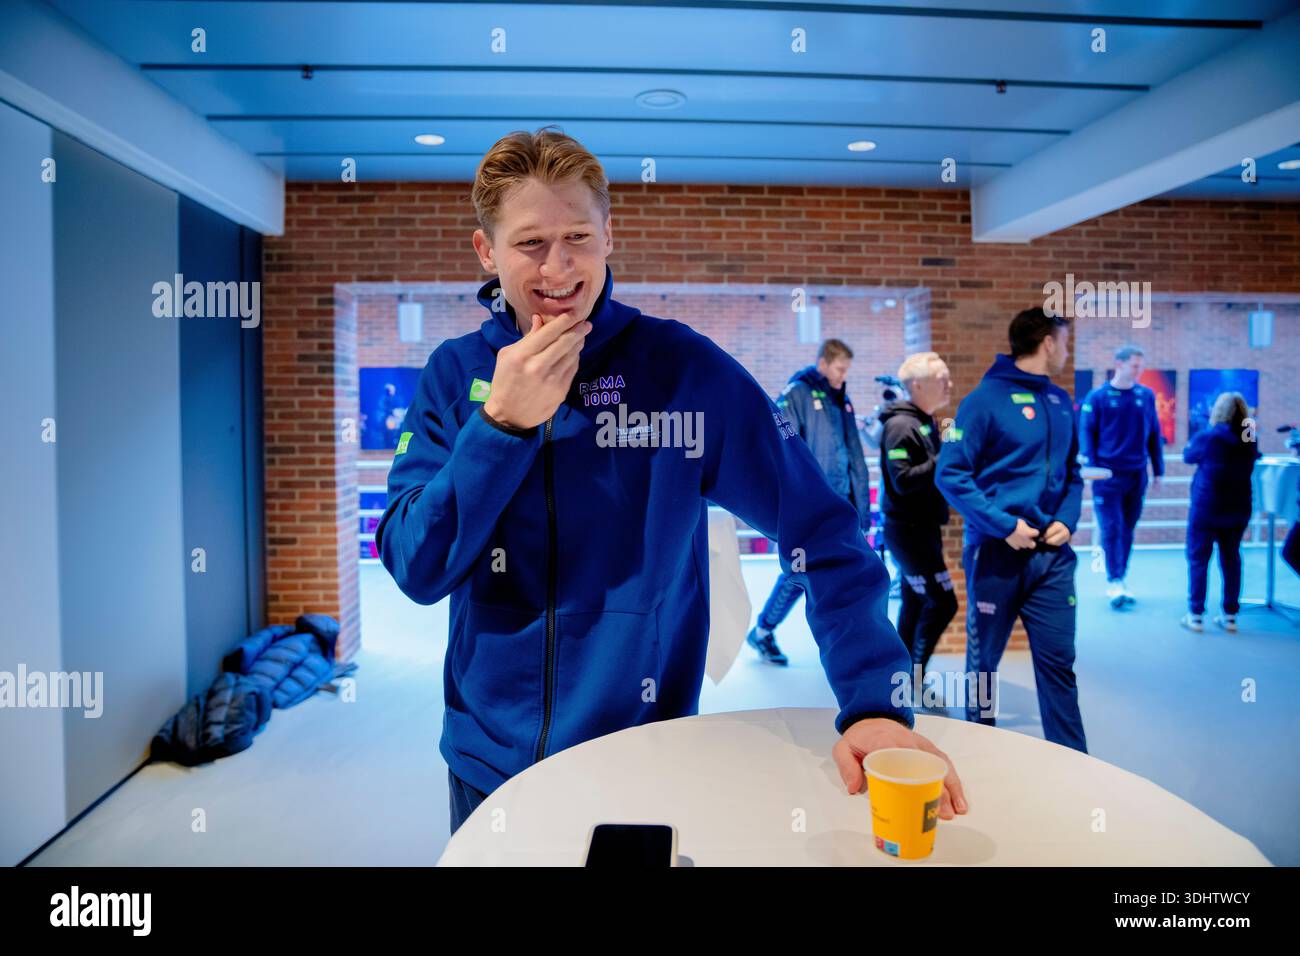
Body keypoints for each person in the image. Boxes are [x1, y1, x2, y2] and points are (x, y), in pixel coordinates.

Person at [373, 128, 967, 834]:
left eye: (578, 238)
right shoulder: (456, 374)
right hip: (487, 768)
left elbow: (823, 527)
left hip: (643, 754)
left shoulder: (681, 369)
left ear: (608, 235)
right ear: (487, 251)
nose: (559, 266)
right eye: (531, 243)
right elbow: (415, 564)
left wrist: (872, 700)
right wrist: (501, 426)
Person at [936, 307, 1087, 753]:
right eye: (1064, 341)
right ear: (1047, 343)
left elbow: (1073, 473)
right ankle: (981, 753)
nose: (1065, 350)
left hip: (1052, 558)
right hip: (996, 554)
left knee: (1059, 662)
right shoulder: (983, 401)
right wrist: (1003, 525)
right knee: (984, 666)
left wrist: (1067, 519)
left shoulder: (1061, 402)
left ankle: (1075, 762)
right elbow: (951, 473)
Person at [745, 339, 872, 665]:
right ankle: (762, 631)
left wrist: (862, 508)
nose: (843, 376)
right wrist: (796, 499)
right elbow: (783, 449)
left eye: (847, 370)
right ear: (823, 363)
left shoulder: (841, 400)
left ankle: (844, 645)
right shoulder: (797, 394)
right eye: (840, 369)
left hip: (843, 504)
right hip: (811, 505)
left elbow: (853, 453)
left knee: (843, 574)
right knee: (798, 573)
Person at [878, 352, 956, 677]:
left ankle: (899, 679)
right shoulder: (900, 426)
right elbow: (904, 480)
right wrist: (948, 453)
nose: (949, 385)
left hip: (923, 529)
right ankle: (914, 679)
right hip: (908, 532)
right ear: (918, 385)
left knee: (914, 604)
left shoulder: (924, 422)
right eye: (942, 380)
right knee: (942, 603)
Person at [1079, 345, 1164, 608]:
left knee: (1127, 528)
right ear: (1119, 364)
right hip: (1107, 475)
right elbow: (1086, 434)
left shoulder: (1146, 396)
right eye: (1134, 365)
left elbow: (1154, 435)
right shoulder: (1098, 397)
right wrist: (1092, 468)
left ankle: (1120, 576)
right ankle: (1113, 580)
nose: (1138, 371)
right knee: (1111, 528)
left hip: (1137, 474)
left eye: (1141, 366)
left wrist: (1159, 470)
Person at [1181, 392, 1261, 633]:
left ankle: (1195, 615)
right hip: (1238, 508)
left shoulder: (1209, 436)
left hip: (1207, 507)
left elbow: (1188, 456)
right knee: (1232, 559)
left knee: (1198, 559)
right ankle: (1230, 616)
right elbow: (1253, 456)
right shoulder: (1250, 436)